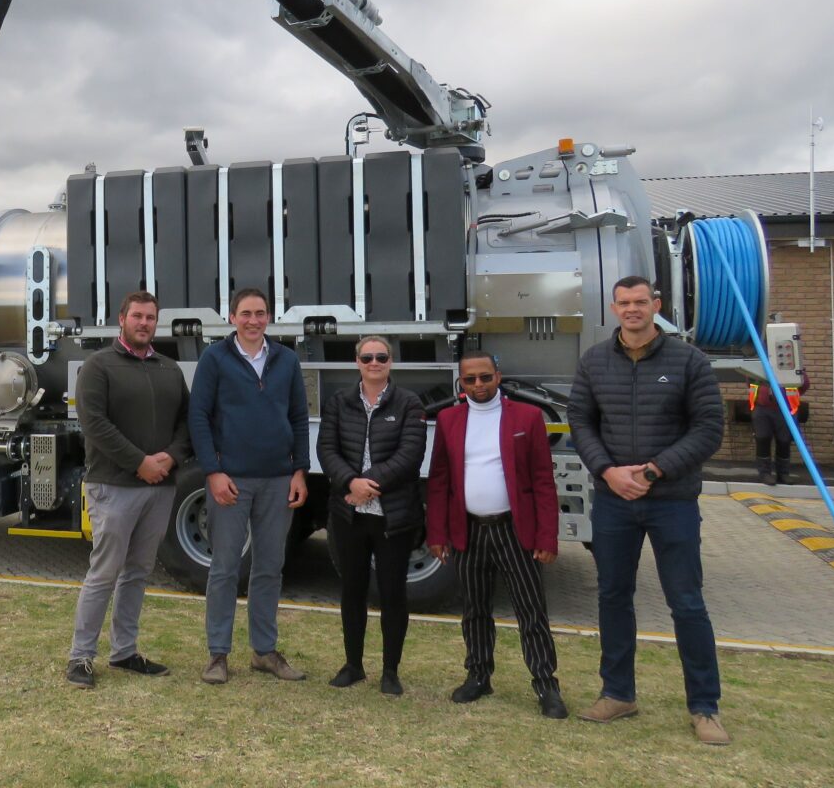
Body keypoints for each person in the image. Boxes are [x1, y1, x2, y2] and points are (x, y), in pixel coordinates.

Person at [568, 275, 730, 746]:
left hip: (672, 502)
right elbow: (581, 422)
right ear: (613, 308)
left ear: (656, 305)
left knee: (687, 602)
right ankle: (618, 694)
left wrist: (656, 471)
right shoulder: (594, 361)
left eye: (641, 301)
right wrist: (608, 471)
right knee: (613, 596)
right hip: (614, 501)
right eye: (624, 303)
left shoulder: (689, 360)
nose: (632, 309)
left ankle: (704, 707)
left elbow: (708, 429)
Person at [426, 351, 566, 719]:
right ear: (461, 382)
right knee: (474, 610)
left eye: (485, 377)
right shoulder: (449, 420)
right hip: (469, 530)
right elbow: (439, 480)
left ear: (498, 377)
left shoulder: (527, 417)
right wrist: (437, 533)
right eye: (470, 379)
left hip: (514, 531)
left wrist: (547, 537)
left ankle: (545, 684)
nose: (478, 385)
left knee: (531, 610)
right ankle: (478, 676)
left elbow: (543, 482)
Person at [65, 291, 191, 689]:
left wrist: (170, 458)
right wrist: (140, 462)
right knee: (105, 572)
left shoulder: (169, 369)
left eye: (150, 317)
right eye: (137, 316)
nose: (144, 323)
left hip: (160, 487)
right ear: (122, 319)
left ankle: (124, 652)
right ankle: (81, 657)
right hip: (113, 485)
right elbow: (94, 424)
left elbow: (186, 423)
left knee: (138, 572)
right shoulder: (98, 366)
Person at [189, 287, 310, 685]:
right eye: (246, 313)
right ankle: (217, 654)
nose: (253, 320)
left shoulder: (287, 360)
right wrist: (213, 472)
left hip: (278, 480)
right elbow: (199, 417)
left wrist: (300, 470)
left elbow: (298, 417)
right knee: (224, 568)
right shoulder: (214, 358)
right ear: (232, 317)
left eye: (260, 313)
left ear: (269, 317)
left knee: (270, 567)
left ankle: (264, 651)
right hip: (231, 481)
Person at [315, 336, 426, 696]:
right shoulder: (339, 402)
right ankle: (353, 665)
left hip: (393, 516)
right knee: (352, 590)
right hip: (349, 515)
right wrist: (350, 483)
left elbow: (410, 454)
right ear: (357, 362)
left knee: (393, 593)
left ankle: (390, 671)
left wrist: (368, 484)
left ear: (390, 362)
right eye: (367, 357)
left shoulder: (409, 403)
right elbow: (326, 449)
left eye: (381, 357)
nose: (374, 362)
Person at [748, 381, 801, 486]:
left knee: (784, 440)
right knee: (762, 439)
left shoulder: (790, 370)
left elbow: (803, 384)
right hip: (761, 408)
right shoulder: (759, 369)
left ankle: (783, 473)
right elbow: (749, 382)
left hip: (786, 410)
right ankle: (764, 473)